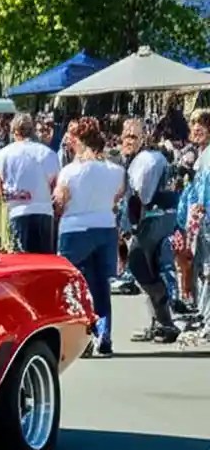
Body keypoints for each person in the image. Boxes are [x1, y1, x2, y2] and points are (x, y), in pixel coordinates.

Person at [54, 118, 126, 357]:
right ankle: (103, 333)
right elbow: (117, 198)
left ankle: (83, 336)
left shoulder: (70, 171)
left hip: (75, 228)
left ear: (79, 141)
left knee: (74, 286)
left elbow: (60, 202)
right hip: (105, 226)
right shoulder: (116, 171)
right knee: (100, 284)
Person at [121, 119, 180, 342]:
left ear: (145, 137)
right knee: (148, 268)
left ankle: (165, 318)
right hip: (159, 217)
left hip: (154, 218)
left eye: (133, 136)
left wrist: (133, 226)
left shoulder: (146, 160)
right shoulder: (141, 159)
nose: (128, 140)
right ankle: (161, 322)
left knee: (139, 265)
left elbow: (141, 197)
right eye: (126, 135)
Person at [0, 113, 59, 254]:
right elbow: (56, 185)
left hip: (18, 211)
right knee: (45, 261)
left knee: (22, 259)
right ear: (33, 130)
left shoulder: (4, 153)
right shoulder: (47, 153)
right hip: (44, 212)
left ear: (14, 131)